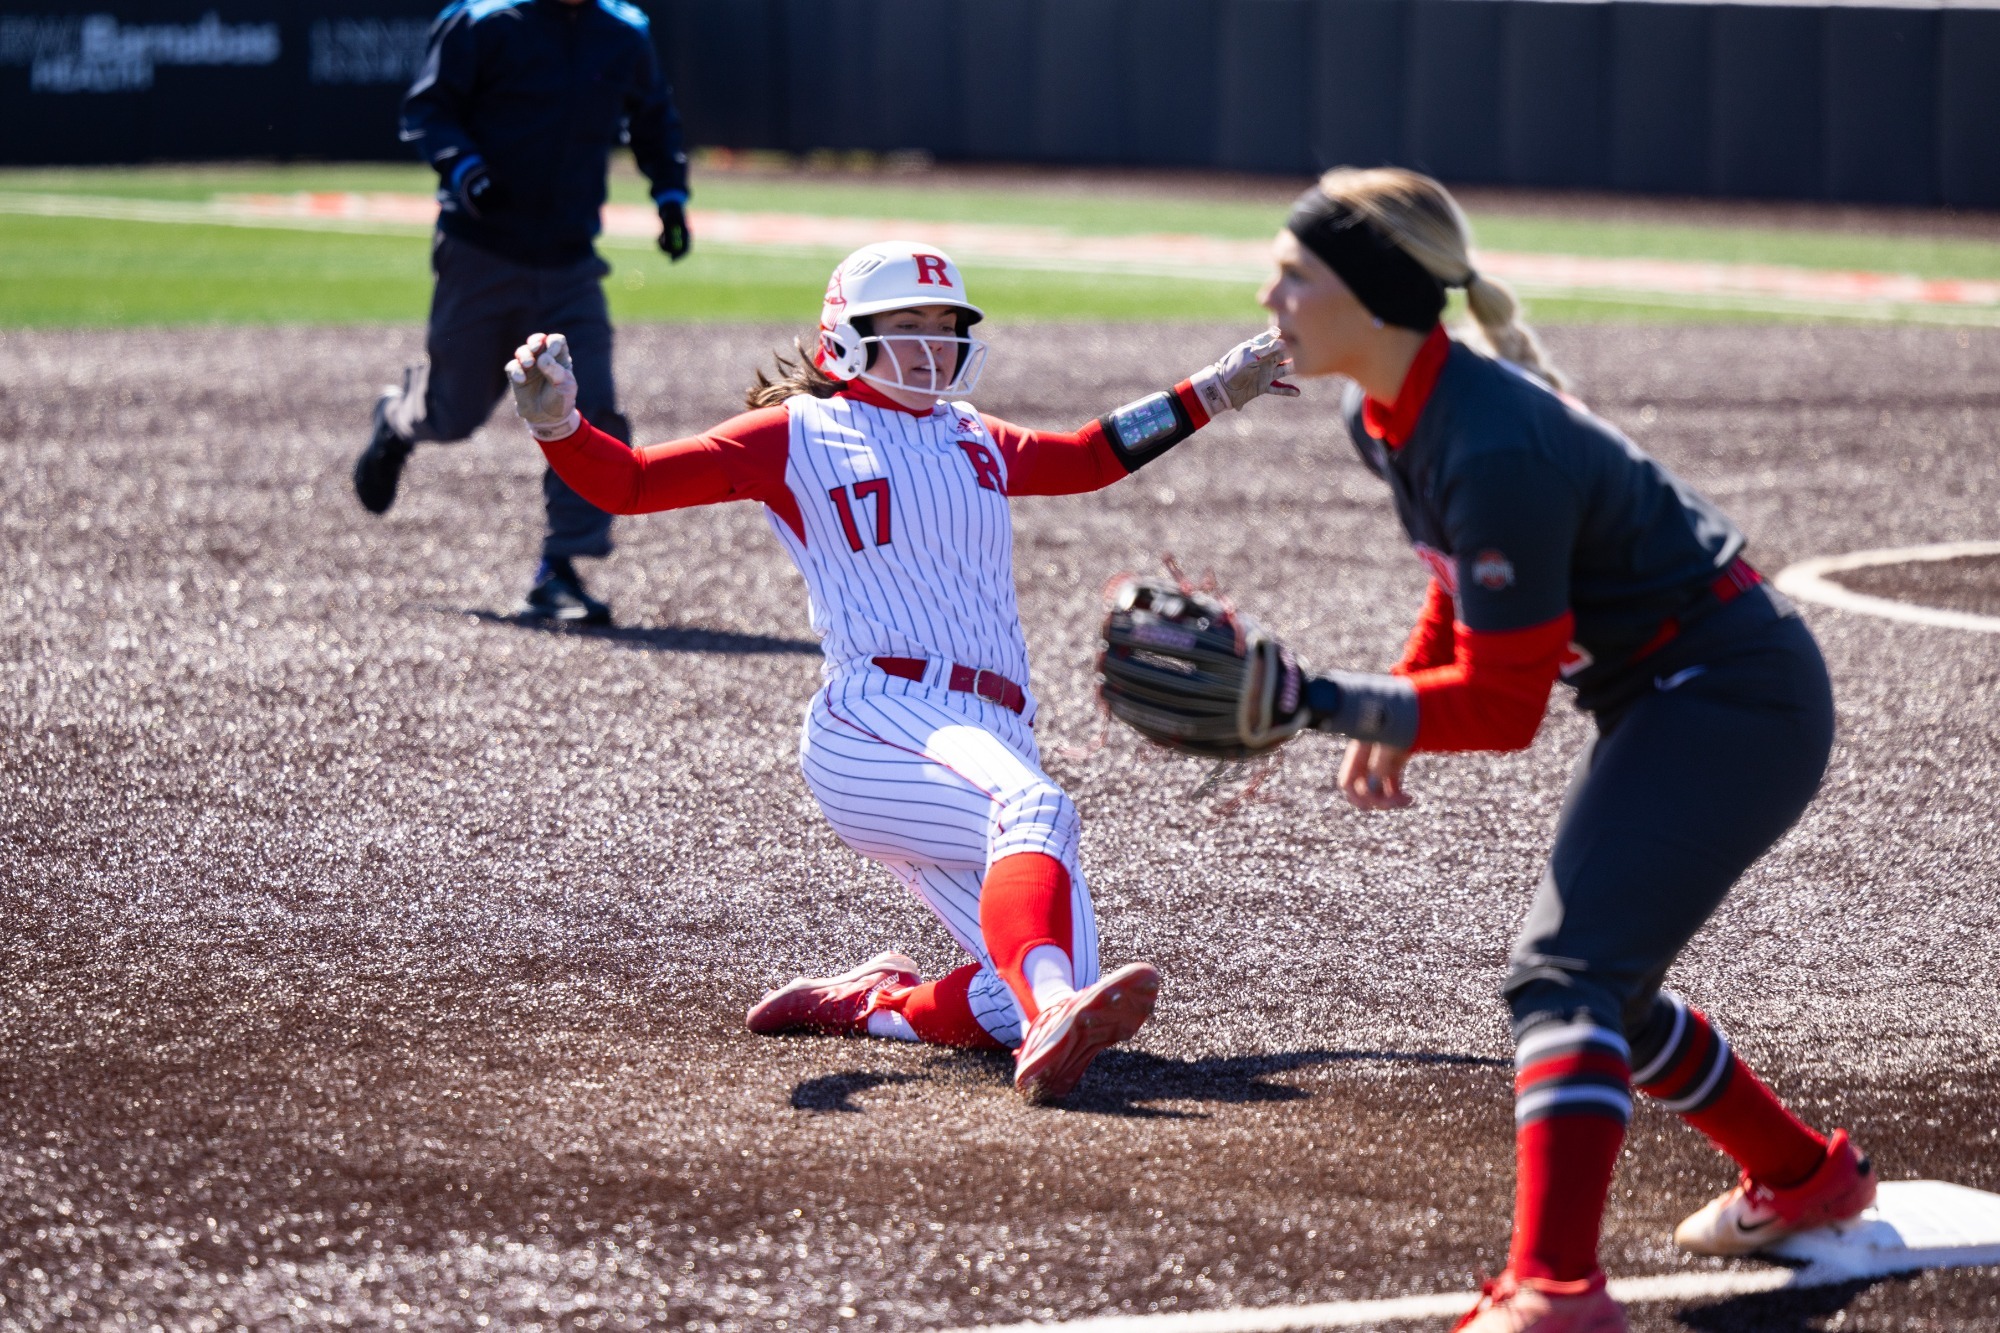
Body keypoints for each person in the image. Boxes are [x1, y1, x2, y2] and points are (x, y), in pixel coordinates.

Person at [1249, 169, 1875, 1332]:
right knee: (1603, 981)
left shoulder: (1492, 442)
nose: (1267, 291)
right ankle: (1802, 1179)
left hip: (1732, 697)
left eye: (1296, 273)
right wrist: (1393, 688)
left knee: (1562, 975)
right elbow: (1455, 573)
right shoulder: (1384, 407)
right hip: (1679, 690)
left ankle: (1554, 1292)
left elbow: (1502, 707)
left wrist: (1322, 700)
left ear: (1377, 296)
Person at [502, 241, 1294, 1101]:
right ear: (846, 336)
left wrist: (1211, 392)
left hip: (986, 733)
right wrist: (559, 426)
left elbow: (1089, 455)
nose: (933, 342)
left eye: (946, 325)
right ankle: (1058, 1009)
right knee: (1035, 814)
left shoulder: (971, 434)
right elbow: (633, 483)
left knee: (1010, 987)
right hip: (876, 720)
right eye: (906, 325)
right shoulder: (799, 432)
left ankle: (874, 1005)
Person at [353, 0, 693, 625]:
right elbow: (428, 110)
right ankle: (399, 418)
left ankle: (560, 568)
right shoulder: (482, 21)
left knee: (591, 407)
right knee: (452, 414)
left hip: (570, 263)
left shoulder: (624, 31)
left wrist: (670, 195)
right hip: (480, 252)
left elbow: (653, 119)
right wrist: (466, 170)